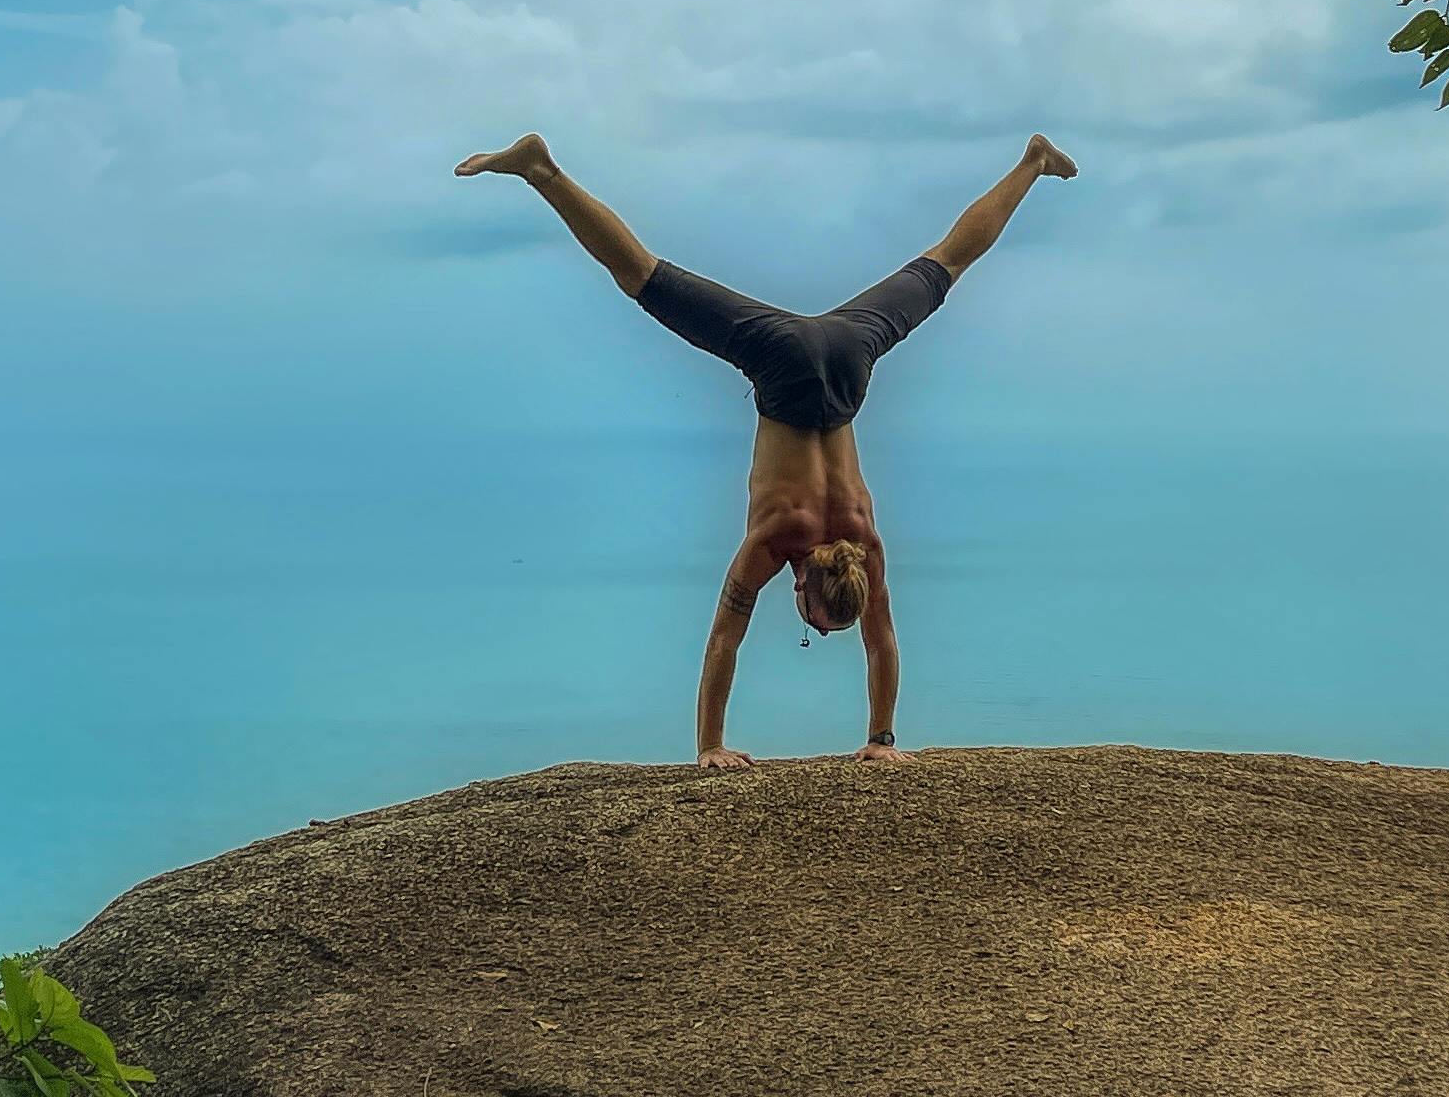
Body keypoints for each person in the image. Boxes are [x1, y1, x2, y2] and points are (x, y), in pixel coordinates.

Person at [453, 131, 1078, 768]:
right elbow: (727, 637)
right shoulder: (779, 538)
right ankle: (541, 170)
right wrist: (711, 748)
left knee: (945, 262)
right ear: (806, 586)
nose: (806, 620)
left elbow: (880, 638)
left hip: (845, 357)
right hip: (784, 364)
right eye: (812, 618)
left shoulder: (865, 542)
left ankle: (1032, 163)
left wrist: (883, 740)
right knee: (639, 274)